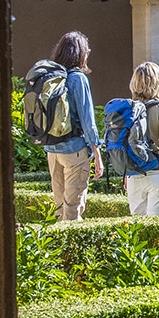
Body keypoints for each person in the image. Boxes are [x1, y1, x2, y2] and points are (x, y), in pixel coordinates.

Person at [41, 31, 102, 221]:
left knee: (58, 209)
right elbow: (87, 119)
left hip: (52, 149)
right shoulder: (78, 78)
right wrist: (97, 151)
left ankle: (55, 249)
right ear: (81, 53)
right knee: (73, 211)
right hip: (74, 150)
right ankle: (71, 250)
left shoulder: (50, 76)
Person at [122, 62, 159, 216]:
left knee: (138, 232)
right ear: (158, 83)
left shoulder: (128, 110)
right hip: (158, 175)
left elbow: (125, 144)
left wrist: (125, 175)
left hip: (134, 176)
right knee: (158, 230)